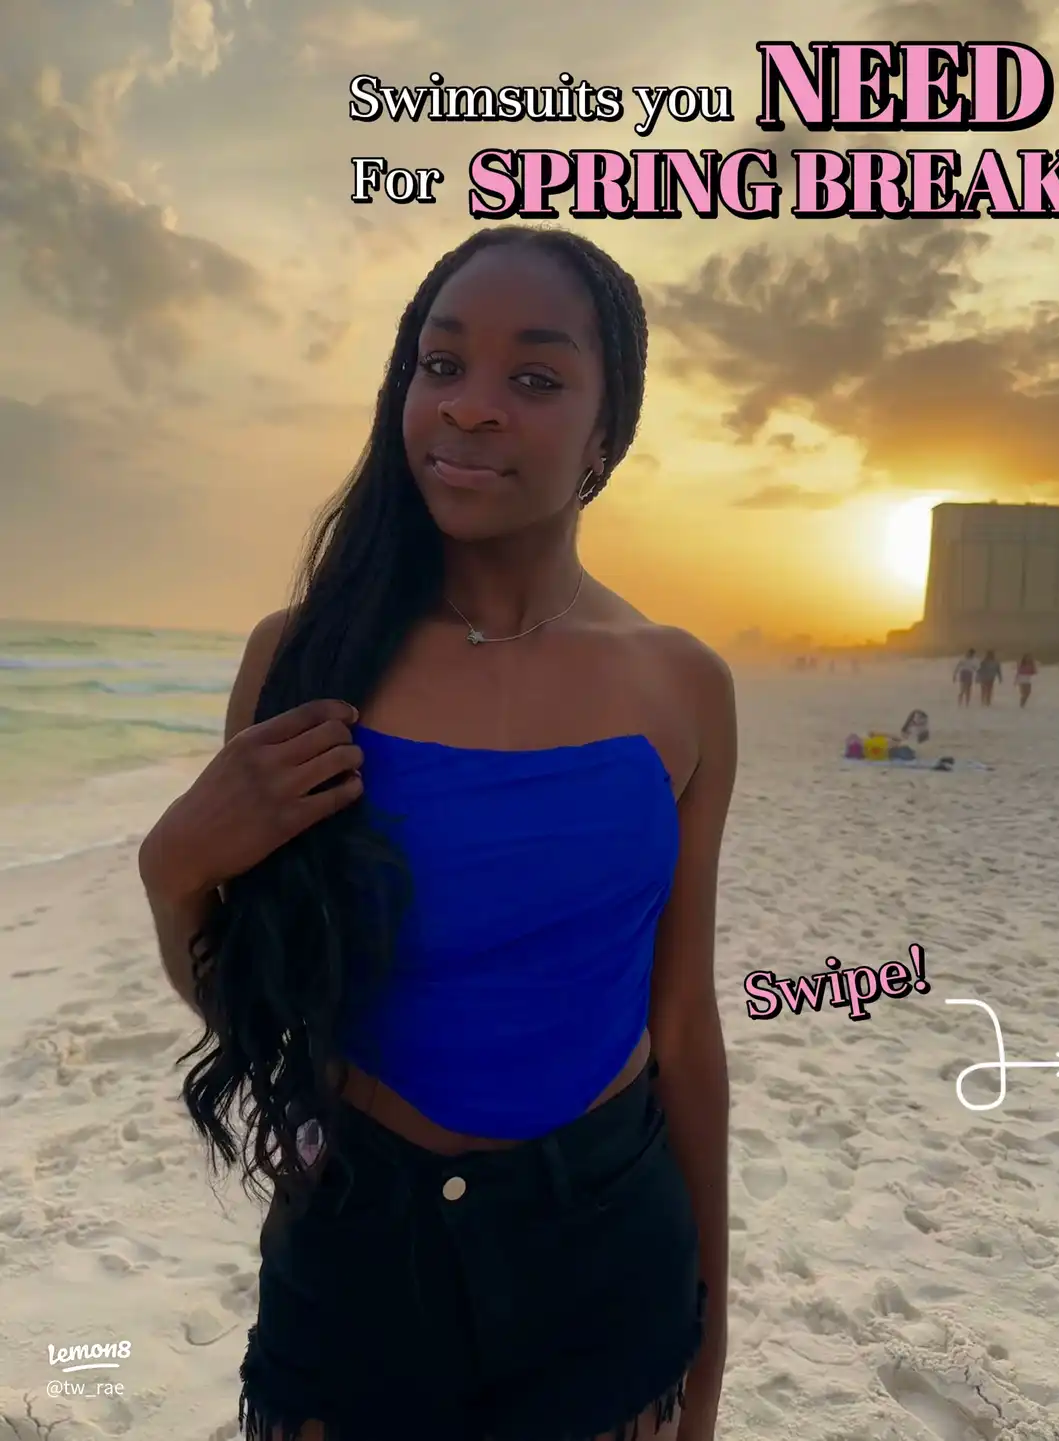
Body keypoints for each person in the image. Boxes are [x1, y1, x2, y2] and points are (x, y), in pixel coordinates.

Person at [137, 226, 736, 1441]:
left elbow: (682, 1025)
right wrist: (172, 869)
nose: (469, 409)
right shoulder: (303, 661)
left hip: (601, 1240)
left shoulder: (681, 689)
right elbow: (250, 996)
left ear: (607, 434)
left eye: (533, 378)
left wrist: (710, 1334)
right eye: (439, 364)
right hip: (357, 1238)